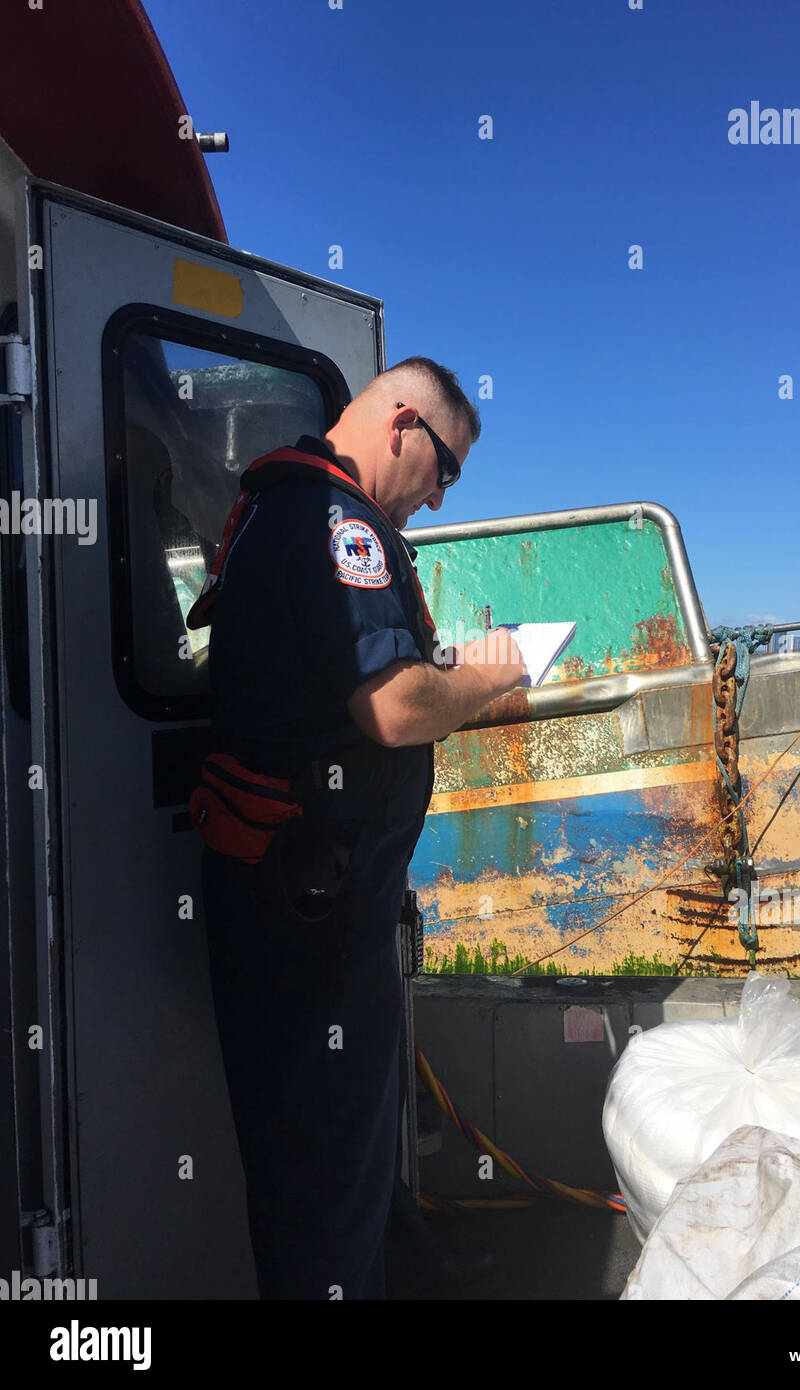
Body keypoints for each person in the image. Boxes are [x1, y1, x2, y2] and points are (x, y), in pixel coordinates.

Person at [189, 357, 526, 1299]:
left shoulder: (281, 509)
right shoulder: (341, 525)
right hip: (309, 925)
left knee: (357, 1147)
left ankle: (411, 1274)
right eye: (445, 469)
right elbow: (390, 707)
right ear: (402, 425)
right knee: (321, 1174)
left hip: (307, 903)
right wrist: (487, 676)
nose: (440, 495)